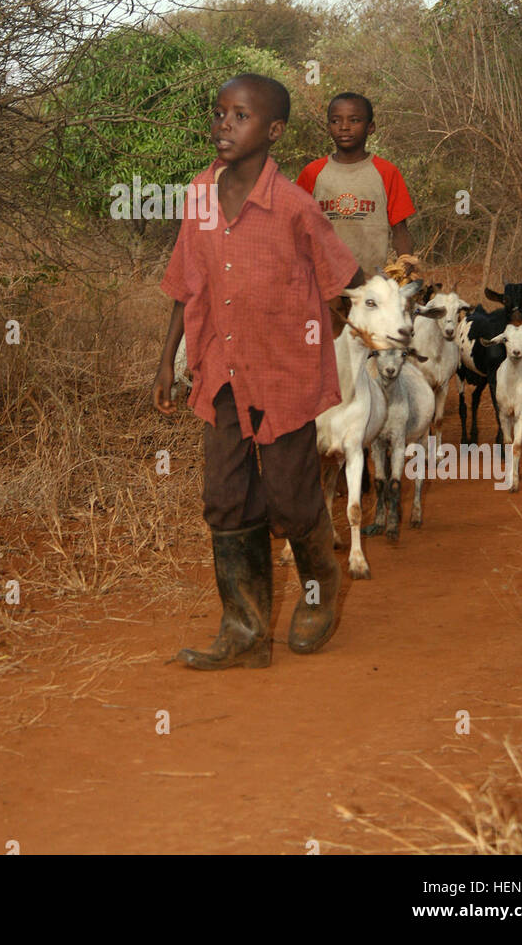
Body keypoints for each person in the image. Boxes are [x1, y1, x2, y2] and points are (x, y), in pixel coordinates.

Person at [151, 73, 362, 671]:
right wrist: (169, 358)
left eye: (239, 116)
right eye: (219, 113)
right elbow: (184, 283)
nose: (223, 124)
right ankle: (243, 630)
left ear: (273, 132)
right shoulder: (199, 194)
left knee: (293, 502)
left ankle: (319, 591)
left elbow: (342, 281)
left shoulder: (296, 206)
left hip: (283, 378)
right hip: (220, 370)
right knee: (225, 498)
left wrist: (349, 322)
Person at [297, 92, 415, 279]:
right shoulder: (312, 172)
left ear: (371, 127)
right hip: (323, 287)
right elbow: (296, 228)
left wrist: (405, 263)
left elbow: (400, 230)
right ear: (328, 127)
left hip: (371, 287)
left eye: (354, 120)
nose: (344, 127)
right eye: (336, 121)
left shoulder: (386, 172)